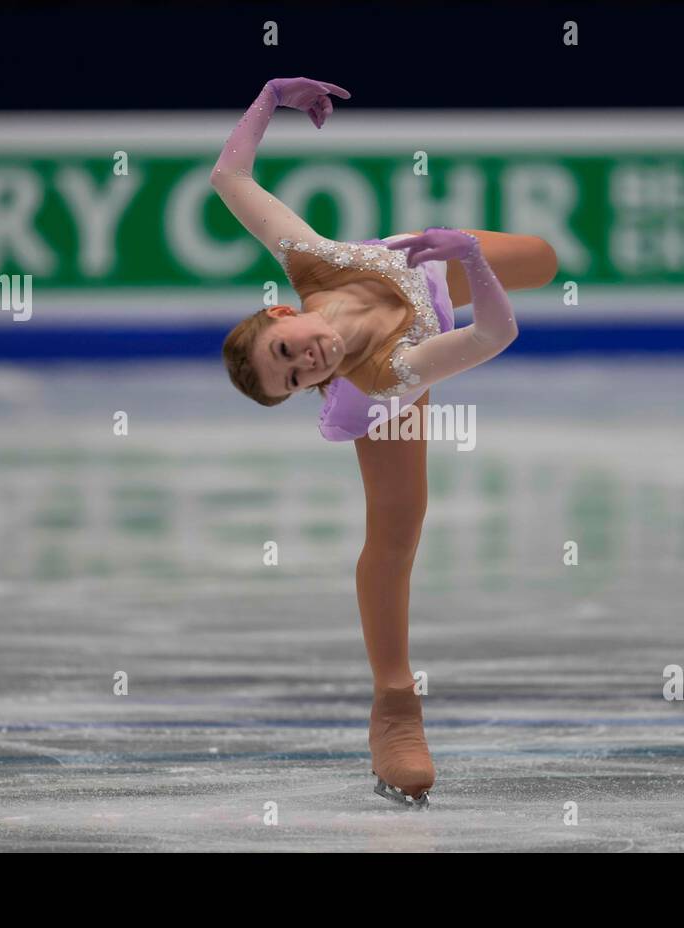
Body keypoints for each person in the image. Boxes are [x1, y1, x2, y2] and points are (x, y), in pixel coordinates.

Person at [212, 77, 557, 808]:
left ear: (280, 310)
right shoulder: (375, 379)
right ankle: (395, 705)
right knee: (397, 534)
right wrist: (472, 259)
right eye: (294, 381)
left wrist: (270, 96)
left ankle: (468, 259)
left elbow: (229, 177)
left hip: (412, 264)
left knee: (546, 257)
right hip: (406, 368)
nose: (306, 364)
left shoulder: (310, 258)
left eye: (287, 350)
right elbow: (495, 334)